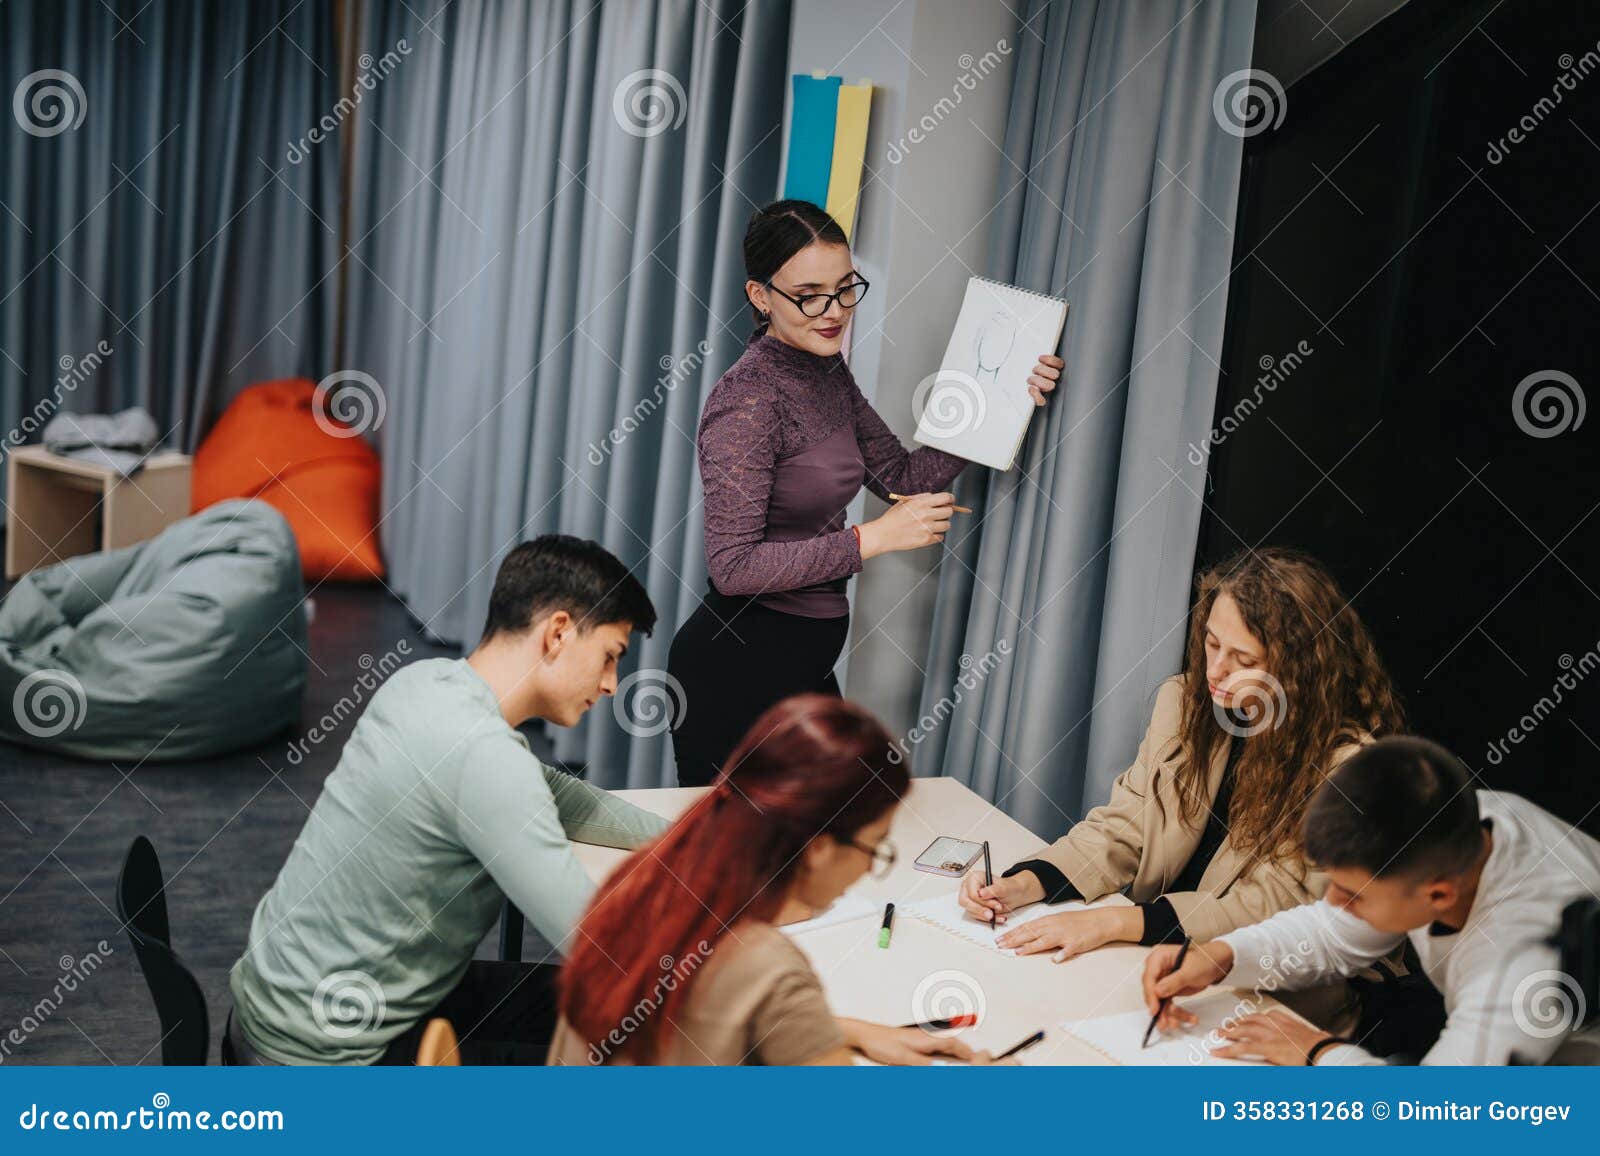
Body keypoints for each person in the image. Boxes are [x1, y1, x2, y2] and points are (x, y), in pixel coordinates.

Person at [227, 535, 672, 1065]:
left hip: (278, 1006)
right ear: (557, 633)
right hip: (322, 1059)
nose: (611, 684)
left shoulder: (424, 683)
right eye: (609, 657)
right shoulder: (482, 756)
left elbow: (560, 797)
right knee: (639, 1038)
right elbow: (598, 945)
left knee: (598, 1014)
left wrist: (685, 836)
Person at [667, 198, 1064, 785]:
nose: (834, 312)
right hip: (738, 667)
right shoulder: (748, 399)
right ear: (760, 296)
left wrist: (1007, 395)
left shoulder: (827, 371)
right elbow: (733, 567)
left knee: (835, 826)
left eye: (845, 288)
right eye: (809, 296)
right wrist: (871, 539)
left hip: (802, 662)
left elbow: (902, 477)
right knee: (755, 846)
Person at [958, 548, 1405, 1024]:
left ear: (1298, 670)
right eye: (1212, 644)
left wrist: (1117, 921)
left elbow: (1273, 908)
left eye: (1243, 659)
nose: (1215, 671)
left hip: (1269, 1003)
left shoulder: (1348, 769)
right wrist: (1026, 883)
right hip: (1154, 956)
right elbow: (1124, 826)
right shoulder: (1184, 703)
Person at [550, 694, 994, 1065]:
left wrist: (835, 1032)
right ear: (819, 849)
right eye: (875, 847)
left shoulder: (641, 890)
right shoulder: (771, 970)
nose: (868, 868)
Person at [1143, 736, 1600, 1065]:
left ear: (1439, 894)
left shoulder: (1524, 965)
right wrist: (1221, 956)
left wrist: (1318, 1050)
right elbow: (1332, 933)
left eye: (1352, 896)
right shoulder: (1449, 825)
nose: (1333, 903)